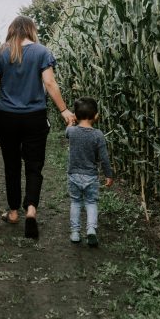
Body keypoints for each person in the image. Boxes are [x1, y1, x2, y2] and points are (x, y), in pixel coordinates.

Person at [0, 16, 75, 239]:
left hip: (7, 118)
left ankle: (13, 212)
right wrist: (63, 110)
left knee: (11, 165)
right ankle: (31, 209)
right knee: (34, 165)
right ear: (31, 30)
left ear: (12, 30)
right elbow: (50, 83)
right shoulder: (42, 52)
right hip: (34, 117)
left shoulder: (0, 52)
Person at [66, 97, 113, 247]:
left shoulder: (72, 131)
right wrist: (108, 174)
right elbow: (104, 158)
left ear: (75, 115)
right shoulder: (98, 135)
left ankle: (75, 232)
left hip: (73, 174)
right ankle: (91, 230)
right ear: (96, 116)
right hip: (91, 176)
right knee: (91, 202)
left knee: (75, 202)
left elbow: (67, 131)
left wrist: (71, 122)